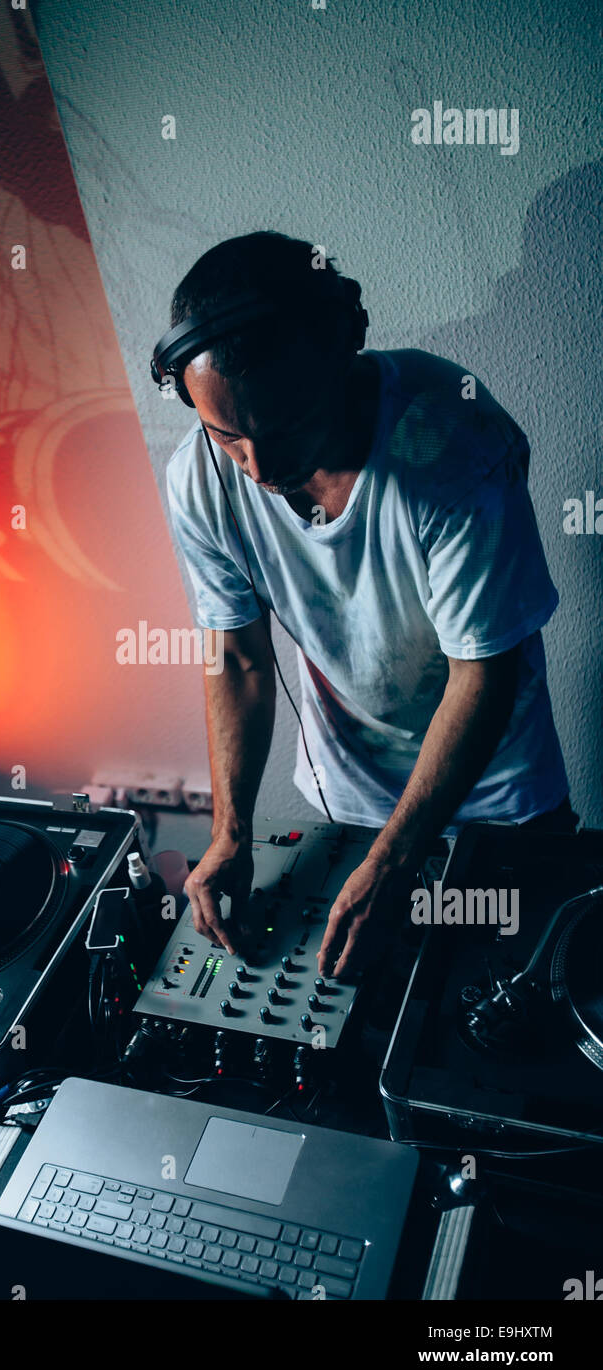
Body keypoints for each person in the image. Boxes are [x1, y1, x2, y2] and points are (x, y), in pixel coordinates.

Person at [161, 231, 575, 977]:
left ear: (341, 349)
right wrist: (231, 833)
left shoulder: (453, 440)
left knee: (499, 1039)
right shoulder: (198, 478)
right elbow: (239, 658)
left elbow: (482, 674)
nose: (257, 469)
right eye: (227, 438)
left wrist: (398, 860)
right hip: (349, 804)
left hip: (502, 806)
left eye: (281, 430)